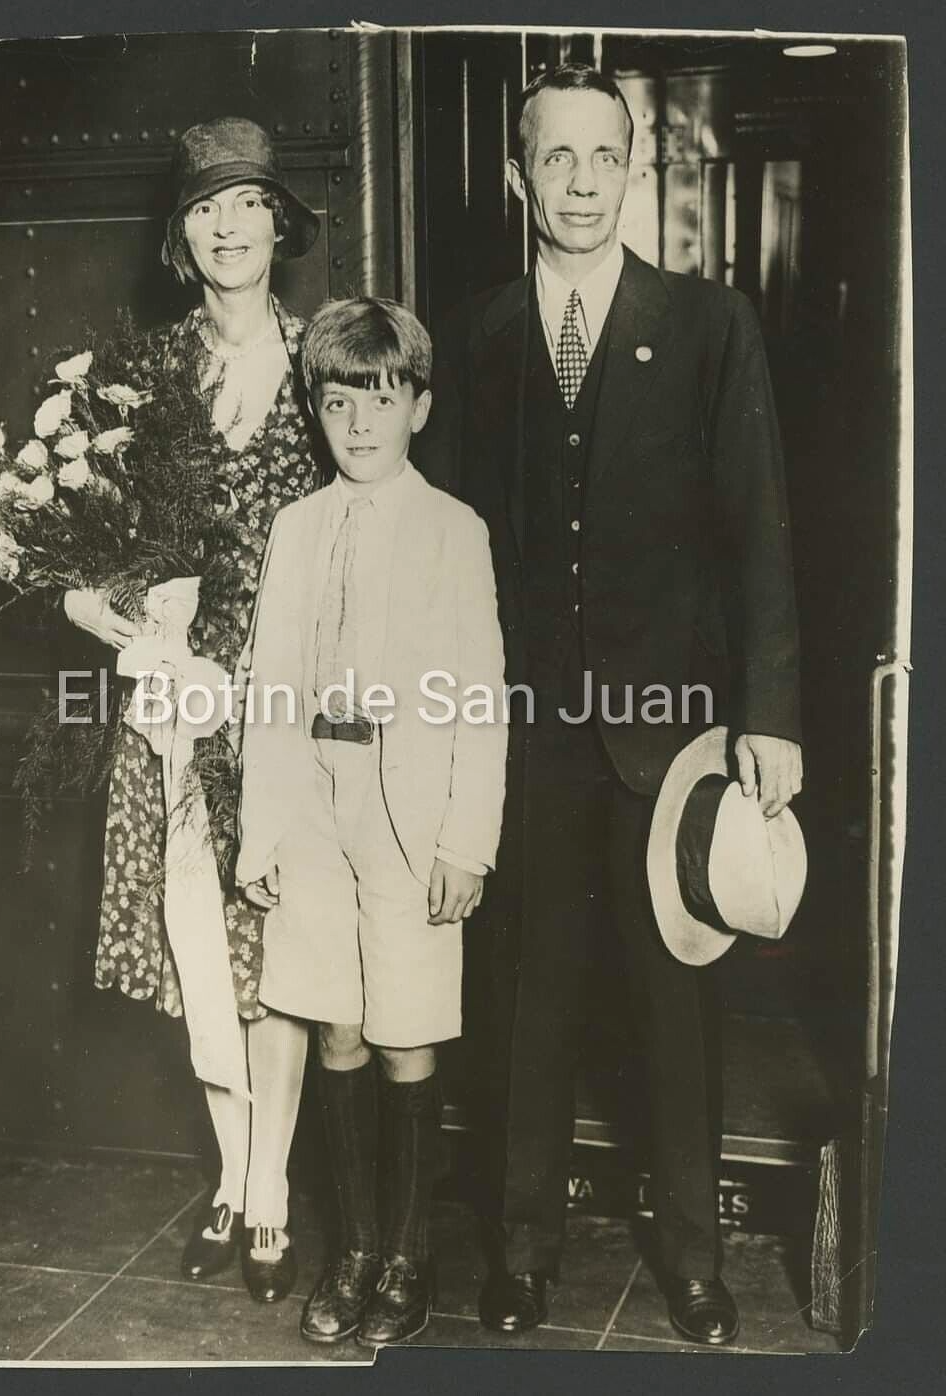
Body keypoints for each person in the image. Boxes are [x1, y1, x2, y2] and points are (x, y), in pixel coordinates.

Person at [416, 65, 803, 1346]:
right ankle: (520, 1255)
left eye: (604, 156)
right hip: (525, 736)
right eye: (557, 159)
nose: (581, 182)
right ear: (520, 176)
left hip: (674, 733)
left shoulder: (708, 327)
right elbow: (450, 548)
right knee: (529, 995)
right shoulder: (472, 338)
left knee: (674, 1002)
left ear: (635, 169)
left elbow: (759, 536)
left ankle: (695, 1261)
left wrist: (772, 714)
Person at [61, 117, 326, 1304]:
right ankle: (230, 1177)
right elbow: (101, 549)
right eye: (206, 207)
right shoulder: (145, 374)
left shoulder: (328, 359)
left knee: (280, 954)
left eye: (248, 203)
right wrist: (95, 608)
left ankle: (271, 1192)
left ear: (281, 221)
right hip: (177, 708)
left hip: (288, 706)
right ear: (183, 233)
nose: (228, 227)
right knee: (202, 951)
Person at [234, 298, 507, 1346]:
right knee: (337, 1028)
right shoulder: (295, 529)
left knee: (403, 1034)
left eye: (380, 401)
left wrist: (463, 844)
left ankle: (407, 1251)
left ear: (419, 409)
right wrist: (263, 832)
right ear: (318, 412)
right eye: (338, 402)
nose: (358, 424)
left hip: (411, 812)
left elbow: (478, 698)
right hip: (312, 805)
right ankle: (352, 1246)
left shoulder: (453, 530)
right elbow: (268, 690)